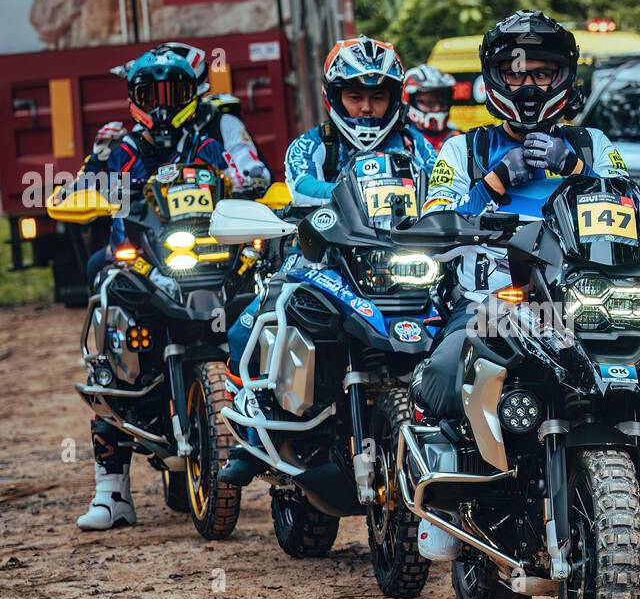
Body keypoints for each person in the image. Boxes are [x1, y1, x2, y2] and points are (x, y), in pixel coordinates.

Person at [413, 9, 640, 599]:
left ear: (565, 76)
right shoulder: (461, 148)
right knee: (445, 364)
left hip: (587, 298)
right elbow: (433, 214)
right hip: (499, 298)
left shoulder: (595, 144)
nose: (528, 85)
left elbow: (636, 208)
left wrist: (575, 168)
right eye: (515, 72)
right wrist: (499, 180)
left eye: (543, 71)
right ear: (494, 78)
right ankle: (453, 497)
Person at [219, 36, 437, 485]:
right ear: (334, 97)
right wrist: (342, 189)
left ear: (394, 99)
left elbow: (442, 192)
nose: (366, 108)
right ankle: (253, 432)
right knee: (250, 321)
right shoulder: (309, 145)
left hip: (402, 266)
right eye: (355, 96)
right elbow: (300, 187)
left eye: (377, 97)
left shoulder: (420, 147)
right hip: (322, 261)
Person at [76, 49, 227, 530]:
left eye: (173, 93)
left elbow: (242, 177)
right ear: (134, 99)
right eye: (150, 95)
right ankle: (111, 493)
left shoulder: (205, 142)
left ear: (191, 95)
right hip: (138, 266)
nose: (162, 106)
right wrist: (89, 178)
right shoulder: (120, 146)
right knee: (110, 363)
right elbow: (82, 185)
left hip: (199, 263)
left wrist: (253, 183)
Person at [161, 42, 271, 192]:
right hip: (157, 211)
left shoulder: (223, 122)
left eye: (172, 89)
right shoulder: (139, 136)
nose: (164, 101)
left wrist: (254, 176)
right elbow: (120, 198)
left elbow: (245, 157)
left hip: (218, 209)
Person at [402, 64, 459, 153]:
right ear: (410, 101)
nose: (437, 108)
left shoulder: (459, 139)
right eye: (429, 103)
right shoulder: (401, 140)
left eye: (442, 102)